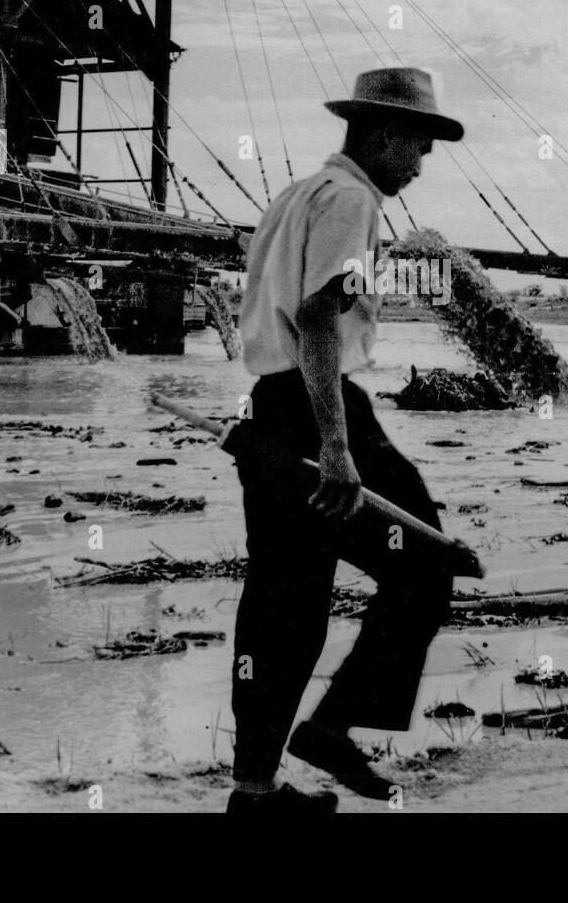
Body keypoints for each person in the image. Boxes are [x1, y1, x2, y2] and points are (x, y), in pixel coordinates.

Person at [226, 67, 463, 814]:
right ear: (385, 134)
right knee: (426, 564)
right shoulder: (353, 200)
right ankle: (330, 729)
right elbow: (322, 317)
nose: (421, 165)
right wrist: (335, 443)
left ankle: (255, 791)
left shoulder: (293, 195)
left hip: (270, 406)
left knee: (281, 605)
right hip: (320, 405)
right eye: (419, 146)